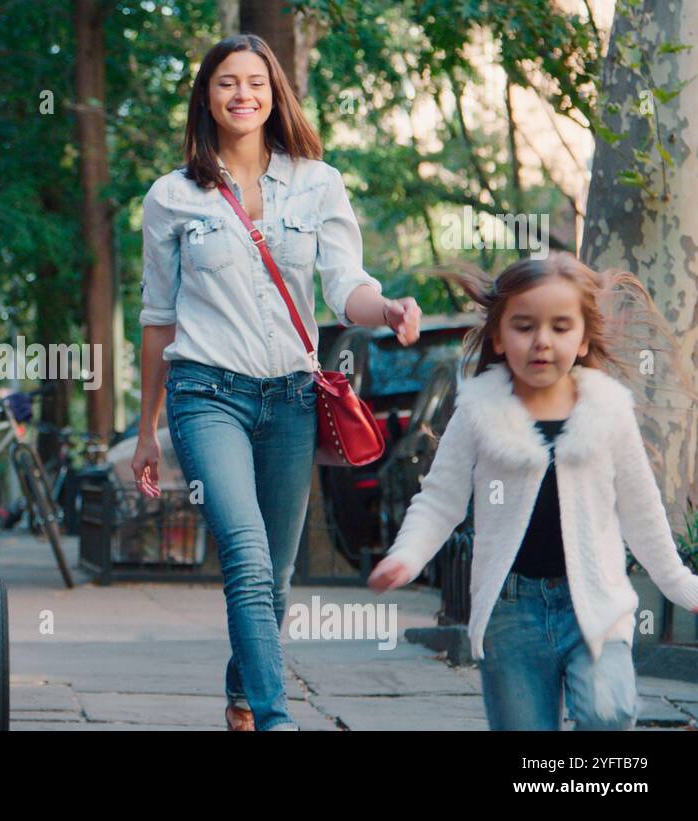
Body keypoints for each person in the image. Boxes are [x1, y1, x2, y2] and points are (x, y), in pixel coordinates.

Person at [130, 33, 421, 731]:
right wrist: (146, 428)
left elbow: (343, 283)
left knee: (277, 575)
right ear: (206, 95)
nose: (242, 95)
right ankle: (275, 713)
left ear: (274, 92)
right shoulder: (172, 197)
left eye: (255, 82)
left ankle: (240, 692)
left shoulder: (319, 182)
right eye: (226, 82)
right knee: (246, 550)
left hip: (290, 397)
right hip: (205, 394)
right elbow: (157, 318)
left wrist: (383, 308)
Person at [369, 252, 698, 730]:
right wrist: (407, 557)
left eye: (560, 327)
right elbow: (440, 500)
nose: (542, 341)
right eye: (524, 326)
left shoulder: (608, 412)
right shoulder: (478, 412)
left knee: (609, 712)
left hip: (596, 604)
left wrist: (681, 584)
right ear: (499, 337)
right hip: (511, 613)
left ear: (583, 339)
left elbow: (642, 511)